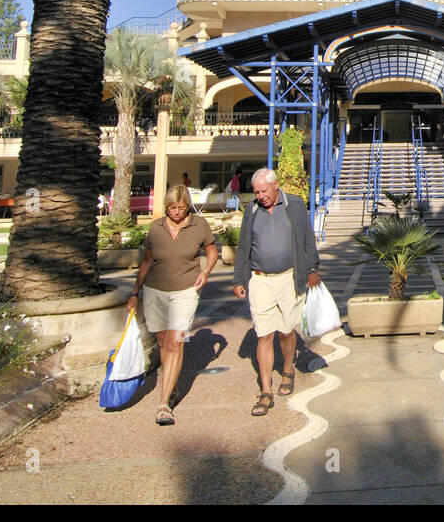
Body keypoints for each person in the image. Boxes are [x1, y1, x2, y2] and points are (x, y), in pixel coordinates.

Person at [232, 168, 321, 416]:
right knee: (264, 334)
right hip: (260, 280)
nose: (260, 196)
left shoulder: (293, 205)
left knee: (285, 331)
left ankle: (288, 368)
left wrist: (313, 268)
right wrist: (239, 278)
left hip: (288, 279)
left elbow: (307, 239)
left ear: (276, 186)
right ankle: (266, 392)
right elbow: (243, 247)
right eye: (257, 192)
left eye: (264, 191)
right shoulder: (251, 210)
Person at [127, 185, 218, 426]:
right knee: (162, 344)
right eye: (171, 208)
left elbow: (212, 251)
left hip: (186, 291)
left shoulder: (199, 225)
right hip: (156, 290)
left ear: (187, 205)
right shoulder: (156, 227)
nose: (176, 212)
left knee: (175, 342)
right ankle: (172, 383)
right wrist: (135, 292)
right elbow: (147, 262)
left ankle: (164, 404)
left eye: (180, 207)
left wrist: (206, 272)